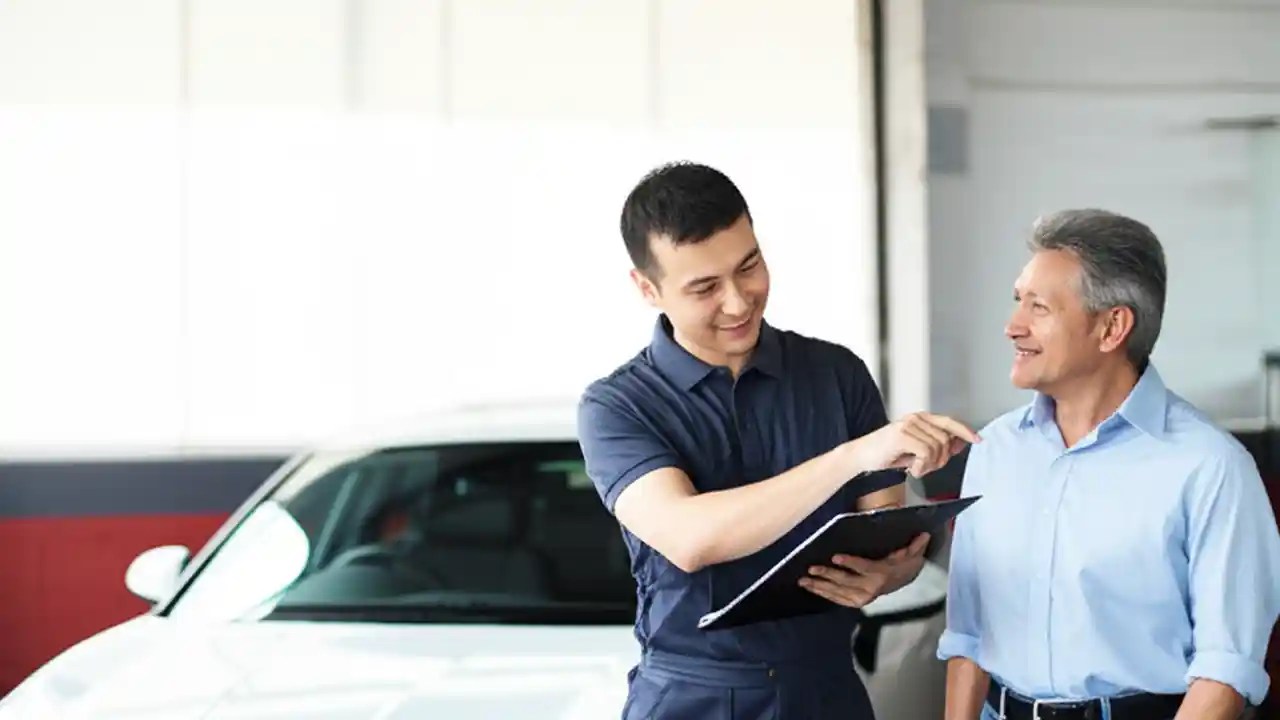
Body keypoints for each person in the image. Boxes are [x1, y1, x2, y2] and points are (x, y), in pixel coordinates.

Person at [576, 161, 979, 719]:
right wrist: (851, 457)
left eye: (750, 266)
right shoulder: (617, 406)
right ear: (647, 288)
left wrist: (888, 575)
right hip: (695, 698)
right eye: (705, 287)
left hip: (827, 690)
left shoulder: (838, 375)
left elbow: (889, 538)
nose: (739, 301)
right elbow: (691, 538)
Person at [938, 209, 1280, 720]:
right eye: (1017, 301)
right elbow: (968, 635)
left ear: (1112, 326)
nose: (1012, 326)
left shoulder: (1211, 467)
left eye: (1039, 307)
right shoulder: (995, 449)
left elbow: (1225, 673)